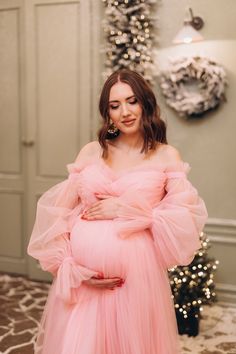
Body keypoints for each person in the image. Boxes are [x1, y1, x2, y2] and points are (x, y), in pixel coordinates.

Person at [27, 69, 208, 354]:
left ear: (145, 103)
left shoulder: (165, 155)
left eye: (132, 101)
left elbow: (183, 219)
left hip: (135, 280)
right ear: (107, 112)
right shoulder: (90, 152)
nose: (125, 111)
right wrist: (71, 269)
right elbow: (58, 215)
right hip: (85, 284)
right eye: (115, 105)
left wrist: (125, 209)